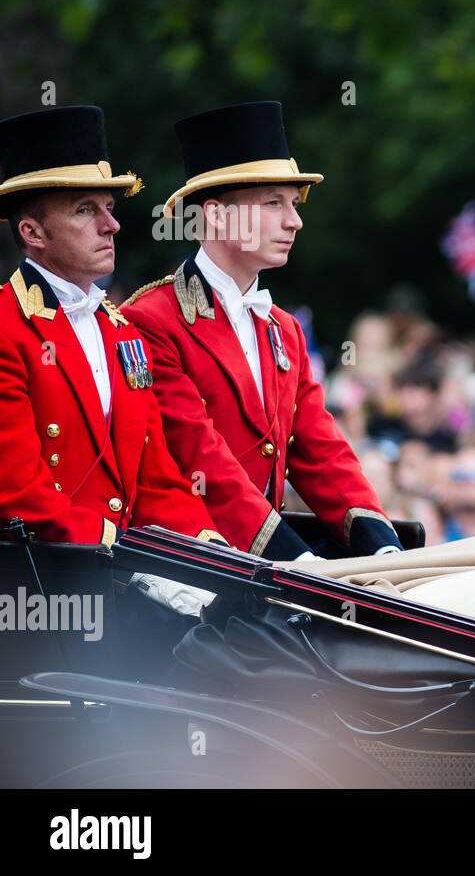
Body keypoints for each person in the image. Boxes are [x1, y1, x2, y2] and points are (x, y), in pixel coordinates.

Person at [122, 102, 402, 561]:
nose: (295, 220)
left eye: (292, 204)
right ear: (214, 215)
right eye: (274, 202)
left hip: (264, 565)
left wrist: (384, 546)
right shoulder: (152, 320)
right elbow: (201, 458)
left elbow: (321, 452)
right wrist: (296, 561)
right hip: (191, 565)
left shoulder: (284, 329)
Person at [0, 105, 225, 612]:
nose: (112, 226)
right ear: (33, 233)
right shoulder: (5, 328)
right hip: (42, 594)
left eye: (109, 207)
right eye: (85, 210)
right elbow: (21, 497)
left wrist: (214, 556)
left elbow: (157, 481)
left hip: (122, 580)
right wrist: (135, 558)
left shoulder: (121, 330)